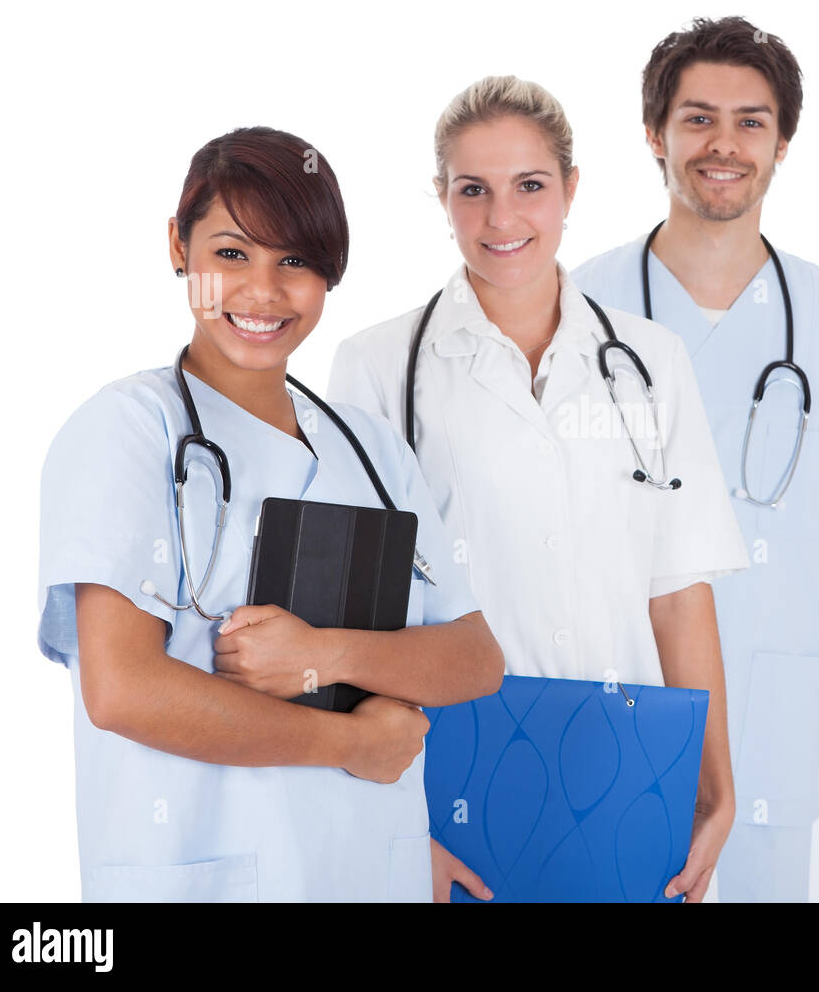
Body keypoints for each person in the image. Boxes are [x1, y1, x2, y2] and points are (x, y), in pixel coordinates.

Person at [37, 126, 503, 903]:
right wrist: (349, 741)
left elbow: (474, 656)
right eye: (231, 253)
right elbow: (123, 688)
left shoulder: (372, 448)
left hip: (371, 871)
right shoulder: (127, 430)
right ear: (178, 246)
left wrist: (323, 653)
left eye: (294, 261)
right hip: (206, 878)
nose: (262, 292)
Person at [328, 76, 749, 903]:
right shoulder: (377, 367)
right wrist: (398, 822)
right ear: (442, 198)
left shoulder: (652, 362)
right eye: (472, 190)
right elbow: (354, 619)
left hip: (628, 772)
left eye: (529, 185)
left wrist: (717, 787)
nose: (501, 218)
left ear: (570, 189)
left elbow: (677, 594)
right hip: (452, 777)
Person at [572, 17, 819, 902]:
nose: (723, 145)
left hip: (771, 720)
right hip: (606, 698)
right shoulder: (577, 306)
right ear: (655, 135)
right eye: (698, 119)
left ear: (782, 143)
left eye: (750, 122)